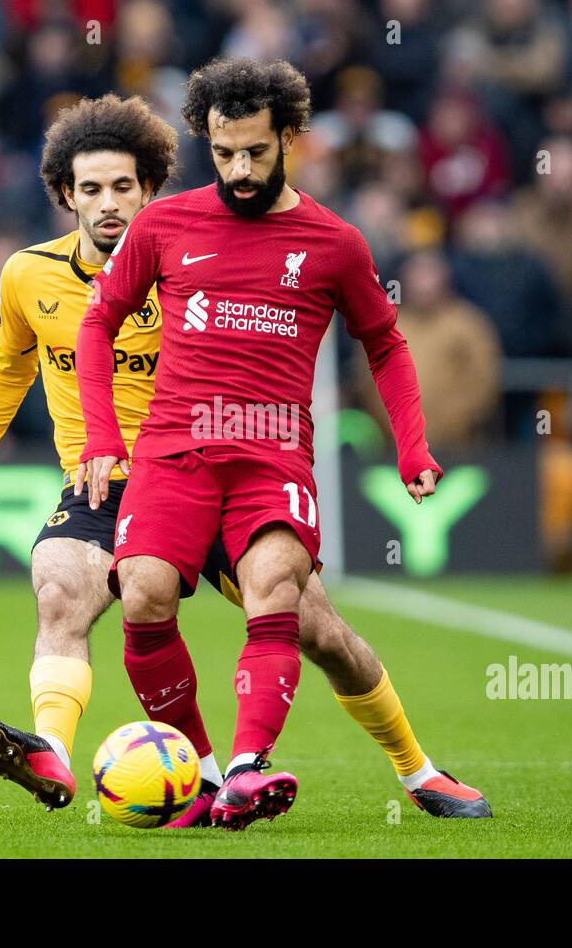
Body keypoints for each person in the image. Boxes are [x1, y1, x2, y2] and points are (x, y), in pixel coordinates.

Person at [0, 93, 492, 828]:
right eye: (90, 189)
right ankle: (55, 747)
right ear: (64, 195)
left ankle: (417, 767)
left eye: (124, 187)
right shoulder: (26, 277)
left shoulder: (185, 248)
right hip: (106, 479)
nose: (109, 204)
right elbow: (8, 369)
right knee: (58, 591)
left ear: (150, 189)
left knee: (322, 634)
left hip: (207, 465)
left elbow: (305, 333)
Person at [73, 60, 490, 829]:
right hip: (174, 451)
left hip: (271, 455)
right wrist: (104, 435)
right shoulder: (164, 225)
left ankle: (260, 769)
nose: (238, 169)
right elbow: (97, 323)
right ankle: (200, 775)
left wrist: (411, 447)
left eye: (256, 153)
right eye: (224, 152)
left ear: (290, 137)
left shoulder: (333, 241)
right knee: (143, 593)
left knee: (287, 601)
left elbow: (387, 344)